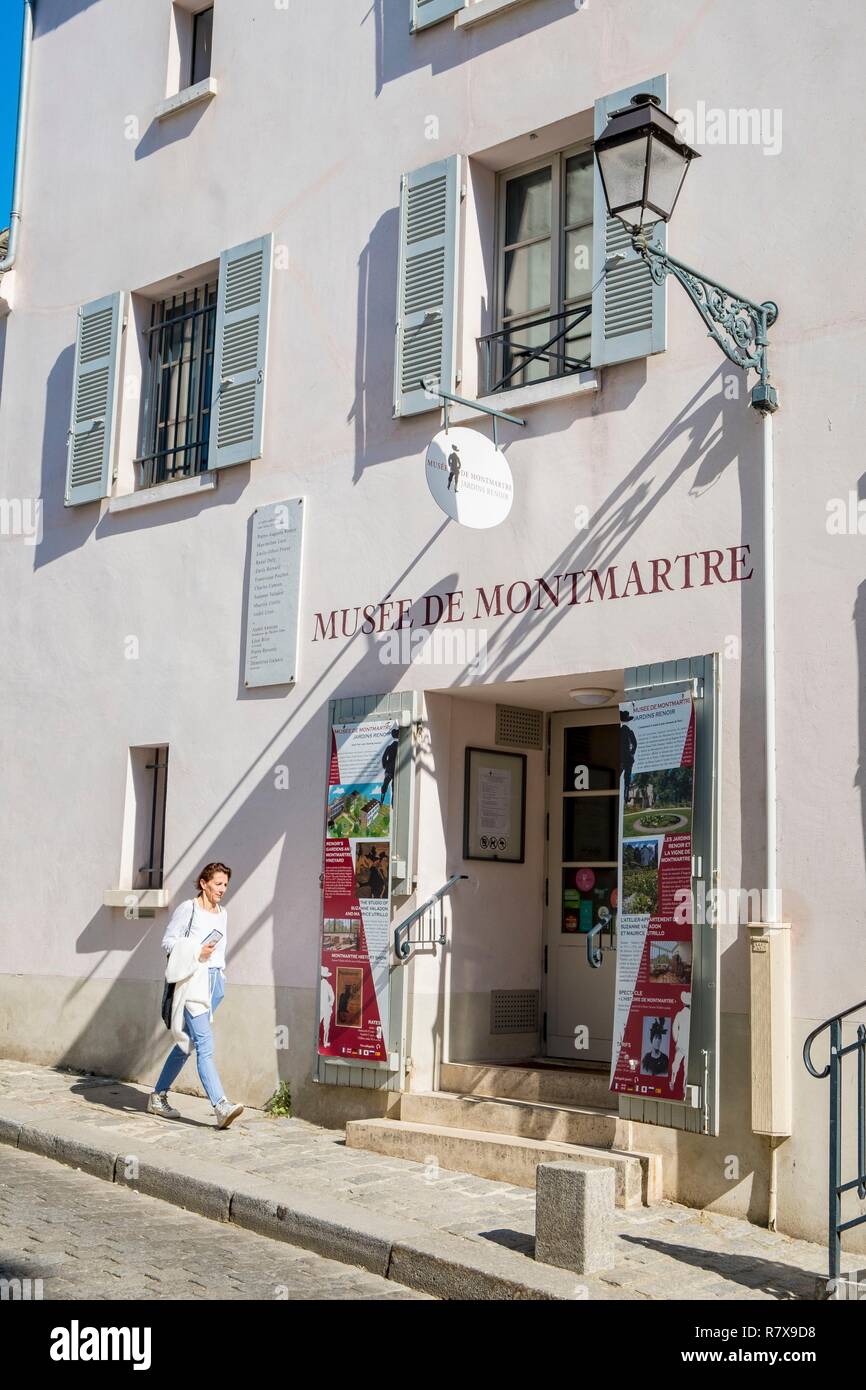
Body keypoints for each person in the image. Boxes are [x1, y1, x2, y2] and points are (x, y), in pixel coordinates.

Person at [149, 862, 244, 1130]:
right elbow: (167, 942)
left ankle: (158, 1096)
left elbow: (221, 950)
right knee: (205, 1044)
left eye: (225, 885)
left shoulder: (222, 913)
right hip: (193, 983)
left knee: (186, 1045)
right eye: (217, 884)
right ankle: (220, 1105)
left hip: (214, 983)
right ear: (204, 883)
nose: (222, 889)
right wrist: (196, 951)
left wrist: (220, 978)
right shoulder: (187, 909)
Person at [380, 726, 399, 803]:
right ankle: (392, 803)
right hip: (397, 769)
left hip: (389, 769)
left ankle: (382, 799)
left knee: (385, 784)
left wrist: (385, 765)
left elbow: (384, 757)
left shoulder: (389, 747)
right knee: (394, 786)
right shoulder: (400, 746)